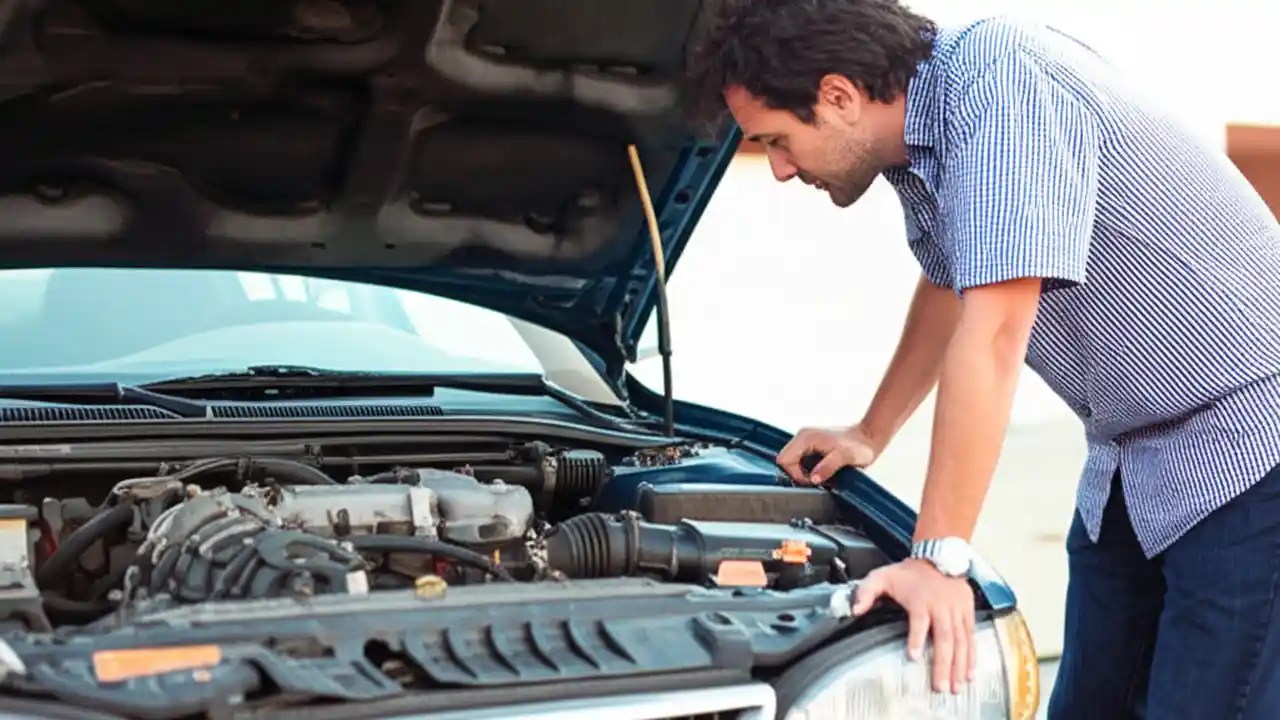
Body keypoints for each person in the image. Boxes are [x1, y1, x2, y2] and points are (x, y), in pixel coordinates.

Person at [684, 1, 1280, 717]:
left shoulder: (1000, 86)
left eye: (777, 141)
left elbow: (994, 334)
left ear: (839, 96)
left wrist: (938, 558)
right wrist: (872, 430)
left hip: (1249, 448)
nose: (779, 169)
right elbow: (951, 281)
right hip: (1131, 460)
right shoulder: (919, 140)